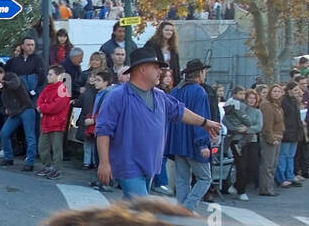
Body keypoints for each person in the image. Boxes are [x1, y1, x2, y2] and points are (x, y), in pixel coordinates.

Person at [96, 45, 221, 198]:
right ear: (142, 69)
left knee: (132, 212)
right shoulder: (118, 96)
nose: (160, 72)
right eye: (156, 68)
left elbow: (180, 111)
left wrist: (204, 123)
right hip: (128, 164)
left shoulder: (159, 95)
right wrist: (104, 162)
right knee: (143, 209)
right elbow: (103, 130)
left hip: (150, 165)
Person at [167, 58, 214, 211]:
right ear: (199, 73)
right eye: (204, 72)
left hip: (177, 141)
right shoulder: (199, 91)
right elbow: (201, 118)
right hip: (193, 141)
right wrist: (203, 143)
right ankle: (186, 209)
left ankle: (181, 211)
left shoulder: (176, 90)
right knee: (205, 178)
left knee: (182, 180)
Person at [222, 87, 262, 201]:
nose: (252, 100)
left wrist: (248, 129)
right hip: (237, 140)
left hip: (252, 140)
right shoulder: (238, 108)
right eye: (249, 98)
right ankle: (241, 191)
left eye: (254, 98)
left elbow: (258, 126)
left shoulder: (258, 112)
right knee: (241, 165)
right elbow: (226, 120)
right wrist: (235, 128)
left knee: (253, 166)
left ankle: (236, 185)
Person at [35, 64, 71, 180]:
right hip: (46, 122)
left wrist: (42, 108)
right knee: (42, 147)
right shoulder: (48, 88)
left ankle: (56, 168)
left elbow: (55, 107)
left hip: (57, 123)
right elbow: (40, 100)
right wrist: (42, 107)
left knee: (56, 149)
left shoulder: (63, 90)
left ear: (58, 76)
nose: (48, 76)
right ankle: (48, 166)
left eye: (51, 74)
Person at [256, 82, 284, 197]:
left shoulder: (277, 105)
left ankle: (270, 187)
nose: (276, 94)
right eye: (274, 91)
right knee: (268, 164)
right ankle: (265, 188)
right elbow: (267, 125)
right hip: (271, 138)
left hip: (278, 137)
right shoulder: (267, 105)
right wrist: (271, 139)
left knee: (273, 164)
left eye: (278, 91)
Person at [277, 82, 302, 188]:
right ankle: (282, 177)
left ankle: (290, 176)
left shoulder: (293, 101)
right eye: (295, 90)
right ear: (289, 90)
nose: (298, 92)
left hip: (295, 132)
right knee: (283, 156)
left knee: (291, 156)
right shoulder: (284, 101)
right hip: (287, 132)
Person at [145, 21, 181, 87]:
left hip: (170, 81)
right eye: (166, 30)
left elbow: (177, 67)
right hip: (155, 80)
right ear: (161, 31)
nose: (169, 32)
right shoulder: (151, 44)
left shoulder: (173, 48)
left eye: (171, 30)